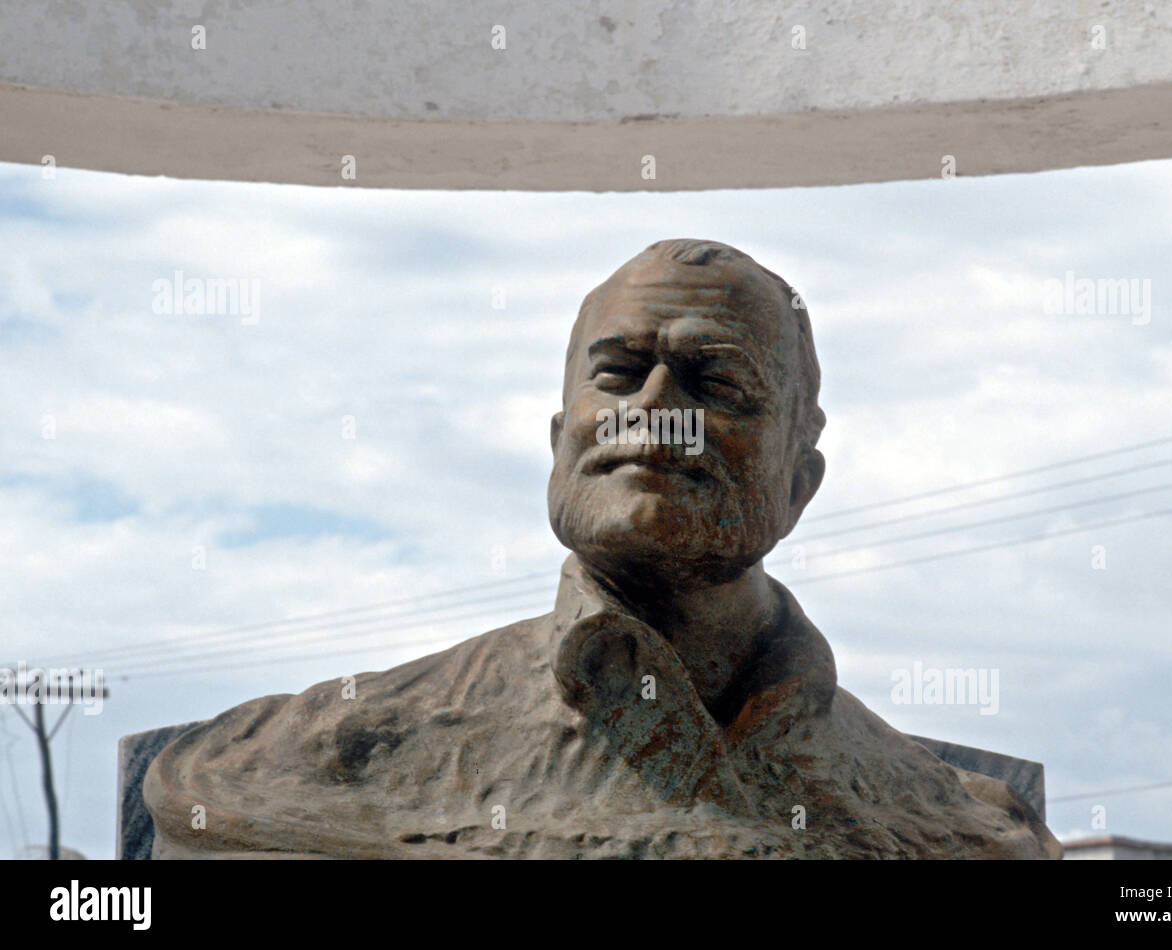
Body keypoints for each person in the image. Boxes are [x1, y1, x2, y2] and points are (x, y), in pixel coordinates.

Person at [145, 239, 1060, 859]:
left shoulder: (962, 831)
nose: (656, 407)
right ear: (559, 445)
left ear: (799, 484)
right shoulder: (294, 763)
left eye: (717, 381)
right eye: (620, 373)